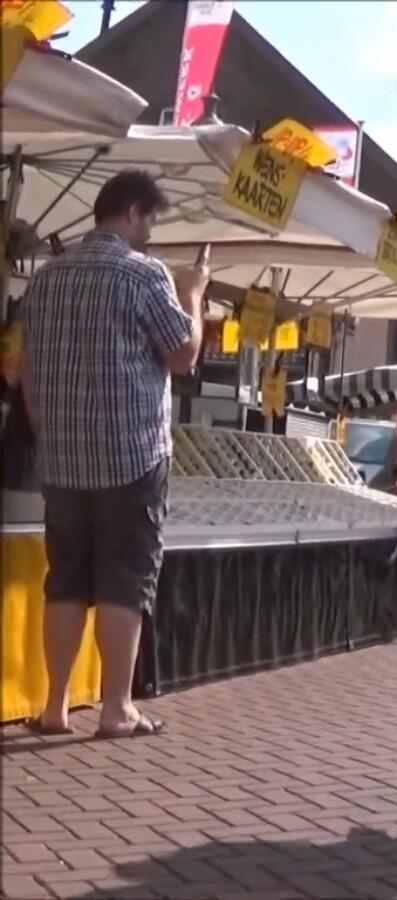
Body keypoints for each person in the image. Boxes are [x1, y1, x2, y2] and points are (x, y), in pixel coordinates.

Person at [18, 170, 204, 739]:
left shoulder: (45, 280)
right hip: (131, 457)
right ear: (129, 212)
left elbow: (27, 373)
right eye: (149, 218)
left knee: (66, 579)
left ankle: (54, 706)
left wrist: (47, 431)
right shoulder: (144, 275)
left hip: (63, 460)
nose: (149, 231)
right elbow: (184, 354)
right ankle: (117, 707)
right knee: (125, 580)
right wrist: (193, 293)